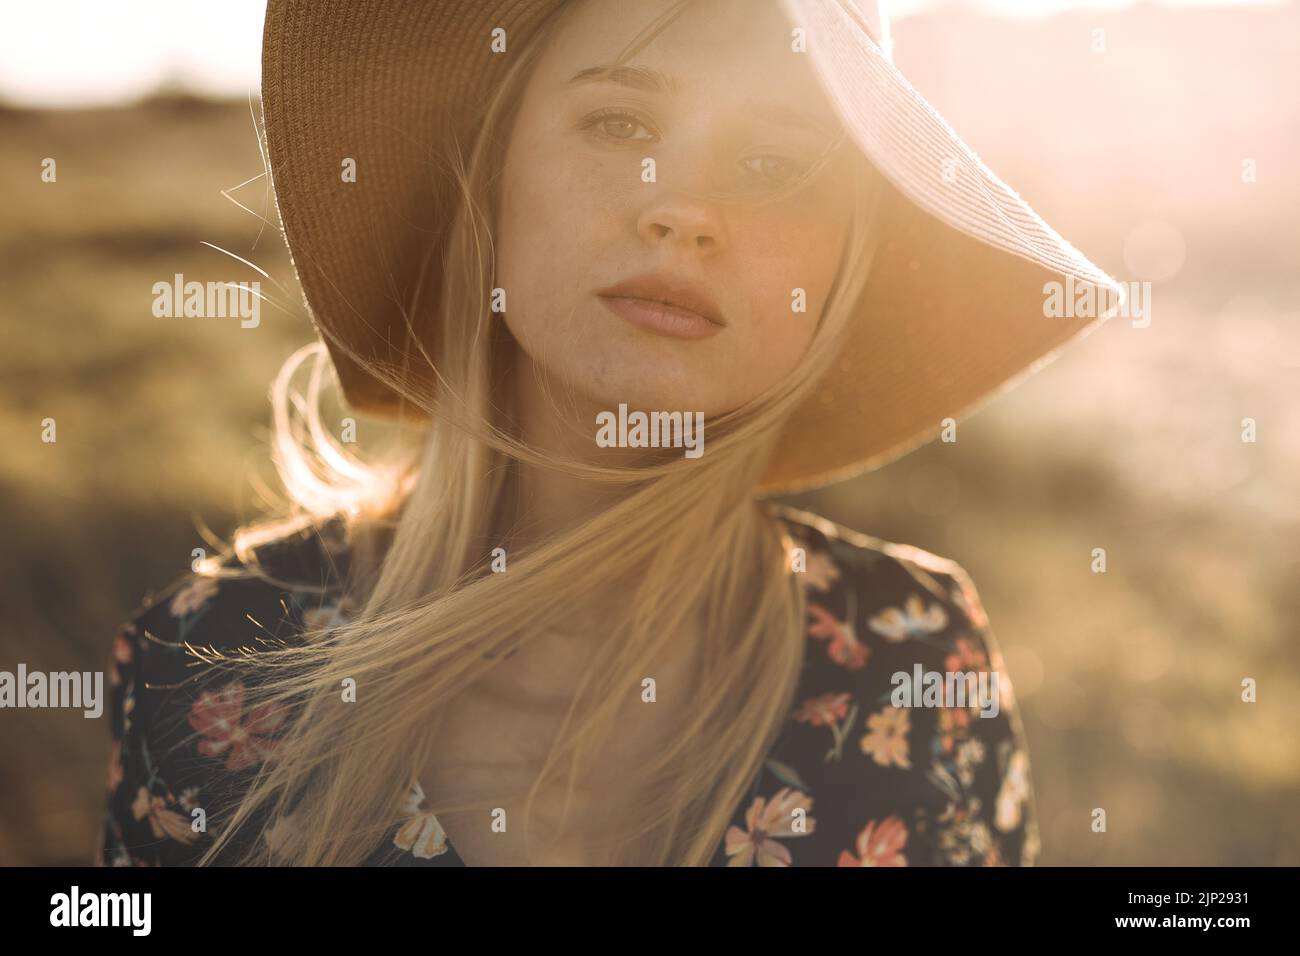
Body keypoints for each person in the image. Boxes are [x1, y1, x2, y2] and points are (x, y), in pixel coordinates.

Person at [99, 0, 1121, 867]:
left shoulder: (915, 658)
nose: (683, 209)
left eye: (772, 160)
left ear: (843, 270)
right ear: (487, 181)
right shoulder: (209, 656)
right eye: (620, 125)